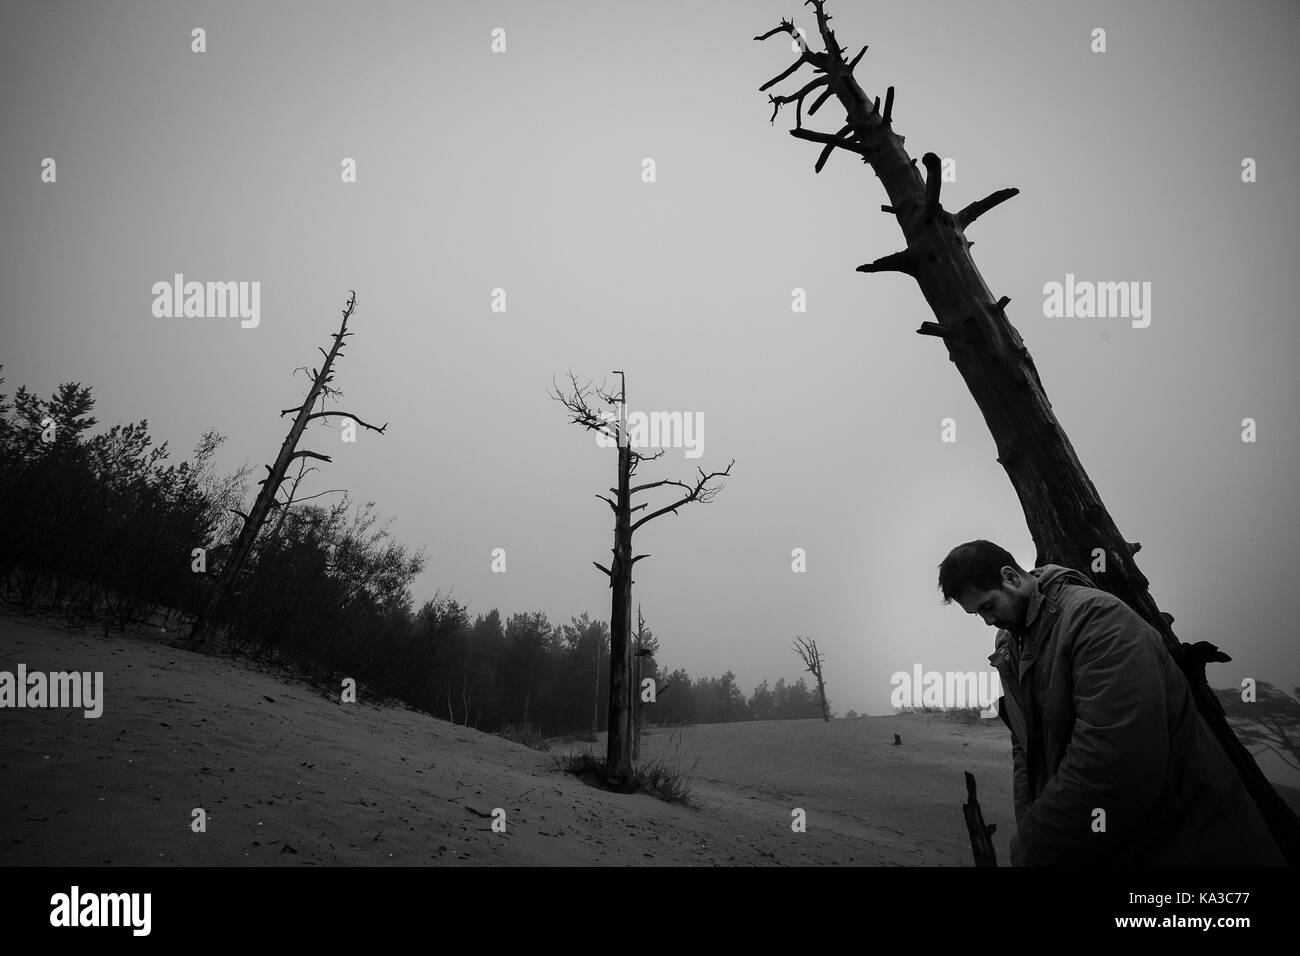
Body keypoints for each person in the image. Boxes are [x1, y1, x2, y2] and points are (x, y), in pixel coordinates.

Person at [937, 539, 1284, 866]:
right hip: (1109, 843)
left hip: (1190, 845)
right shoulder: (1012, 644)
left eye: (987, 606)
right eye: (976, 614)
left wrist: (1035, 843)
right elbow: (1024, 745)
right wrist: (1032, 825)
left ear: (1010, 577)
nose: (987, 620)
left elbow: (1115, 758)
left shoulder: (1097, 619)